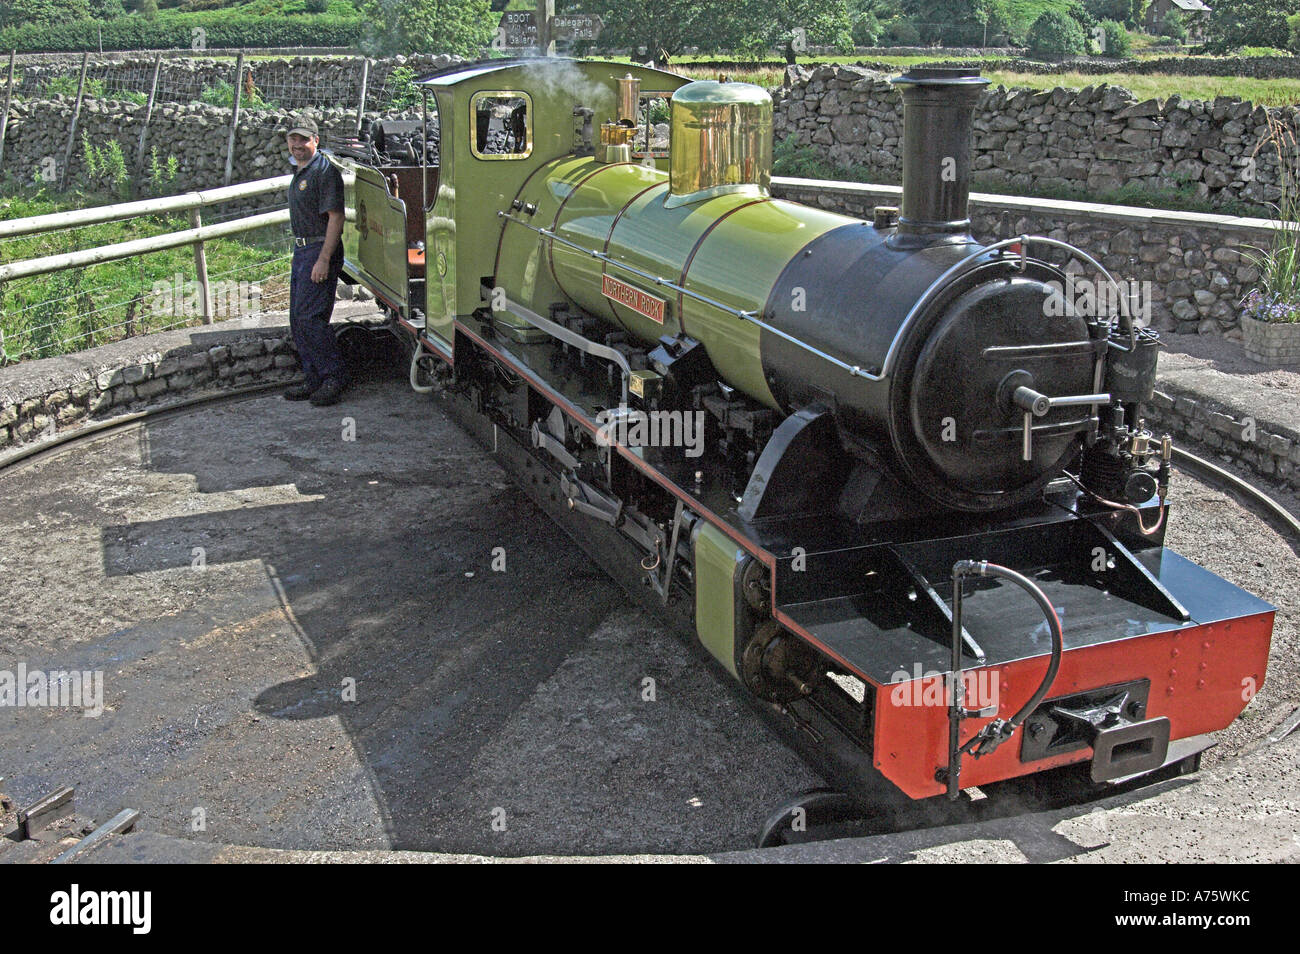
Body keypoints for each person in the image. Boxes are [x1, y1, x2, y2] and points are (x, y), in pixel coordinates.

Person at [283, 115, 347, 406]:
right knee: (298, 319)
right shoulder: (301, 170)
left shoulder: (324, 172)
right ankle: (313, 378)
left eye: (303, 139)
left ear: (316, 141)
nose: (297, 144)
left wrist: (323, 259)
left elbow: (336, 218)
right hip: (302, 250)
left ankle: (334, 376)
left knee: (312, 318)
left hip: (319, 250)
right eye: (293, 139)